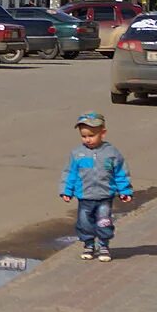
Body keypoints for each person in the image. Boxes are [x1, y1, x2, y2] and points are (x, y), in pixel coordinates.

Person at [60, 111, 133, 263]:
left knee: (103, 220)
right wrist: (67, 191)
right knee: (84, 222)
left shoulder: (111, 153)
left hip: (105, 196)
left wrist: (124, 191)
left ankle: (104, 245)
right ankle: (88, 244)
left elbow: (120, 173)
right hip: (85, 196)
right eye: (84, 136)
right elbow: (70, 173)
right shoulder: (77, 154)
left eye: (91, 136)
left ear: (103, 133)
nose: (87, 139)